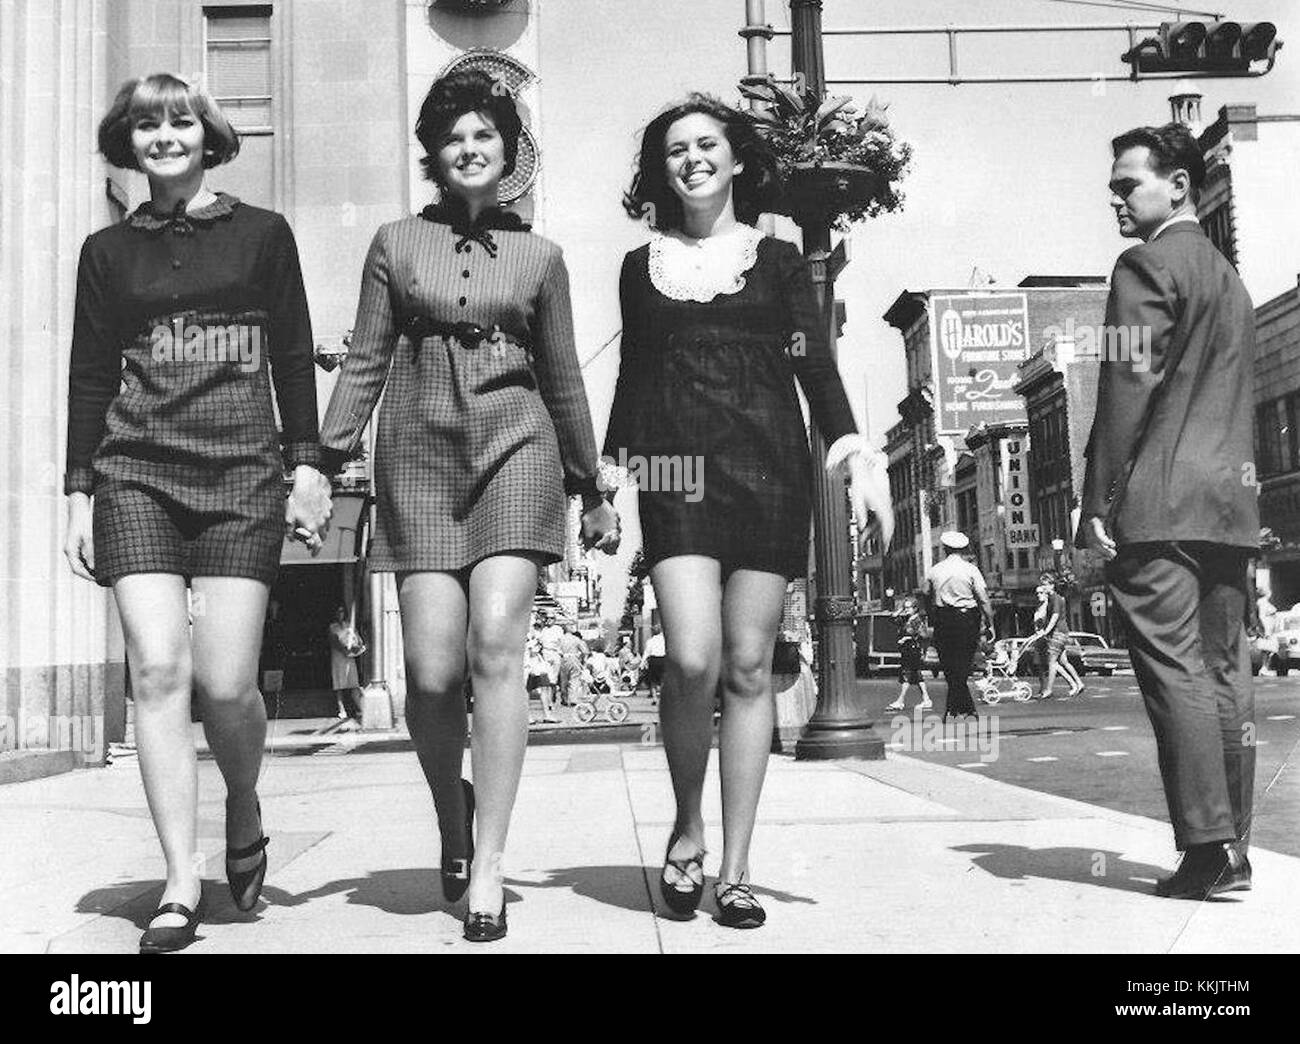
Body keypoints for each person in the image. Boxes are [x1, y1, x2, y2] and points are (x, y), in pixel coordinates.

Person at [318, 70, 619, 942]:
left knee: (496, 647)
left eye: (485, 135)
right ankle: (453, 817)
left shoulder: (543, 258)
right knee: (432, 674)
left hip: (515, 451)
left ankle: (489, 861)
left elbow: (562, 380)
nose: (469, 148)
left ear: (508, 152)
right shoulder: (394, 242)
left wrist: (590, 483)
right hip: (416, 455)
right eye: (454, 138)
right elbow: (368, 359)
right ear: (436, 156)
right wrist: (323, 459)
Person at [606, 93, 893, 929]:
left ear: (736, 160)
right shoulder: (640, 266)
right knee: (690, 659)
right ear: (661, 172)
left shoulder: (774, 263)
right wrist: (610, 477)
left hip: (768, 472)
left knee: (747, 667)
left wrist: (857, 458)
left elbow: (818, 375)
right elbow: (632, 373)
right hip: (677, 473)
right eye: (674, 151)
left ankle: (733, 867)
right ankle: (686, 826)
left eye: (706, 145)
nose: (691, 159)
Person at [62, 74, 331, 953]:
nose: (165, 135)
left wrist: (306, 466)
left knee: (223, 687)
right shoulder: (107, 253)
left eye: (180, 120)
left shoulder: (261, 235)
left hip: (239, 477)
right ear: (127, 139)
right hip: (135, 473)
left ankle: (244, 802)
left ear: (207, 133)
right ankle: (181, 880)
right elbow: (91, 375)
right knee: (156, 674)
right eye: (147, 123)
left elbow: (293, 354)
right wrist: (78, 489)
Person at [1077, 122, 1258, 900]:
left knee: (1173, 673)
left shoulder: (1143, 264)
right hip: (1229, 506)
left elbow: (1126, 386)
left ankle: (1206, 846)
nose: (1115, 197)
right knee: (1224, 674)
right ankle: (1235, 848)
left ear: (1179, 185)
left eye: (1128, 184)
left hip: (1158, 502)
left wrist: (1095, 503)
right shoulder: (1227, 276)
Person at [924, 532, 994, 720]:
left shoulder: (935, 570)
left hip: (943, 619)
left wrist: (931, 616)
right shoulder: (971, 570)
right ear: (963, 549)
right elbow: (983, 598)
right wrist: (990, 622)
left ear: (945, 549)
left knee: (948, 664)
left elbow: (924, 593)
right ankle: (966, 708)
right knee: (963, 663)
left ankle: (953, 708)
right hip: (967, 620)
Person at [1026, 574, 1083, 699]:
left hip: (1058, 632)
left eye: (1045, 585)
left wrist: (1046, 631)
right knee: (1063, 661)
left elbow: (1055, 616)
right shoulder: (1052, 599)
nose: (1043, 588)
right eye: (1042, 585)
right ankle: (1078, 683)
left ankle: (1048, 689)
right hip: (1058, 632)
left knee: (1051, 662)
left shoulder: (1055, 598)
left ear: (1051, 585)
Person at [885, 597, 932, 712]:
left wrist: (906, 638)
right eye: (905, 607)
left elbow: (923, 635)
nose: (906, 610)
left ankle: (900, 701)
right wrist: (900, 609)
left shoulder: (916, 620)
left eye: (908, 607)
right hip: (907, 650)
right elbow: (892, 619)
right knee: (917, 675)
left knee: (907, 674)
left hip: (913, 650)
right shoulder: (907, 619)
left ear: (915, 608)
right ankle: (926, 699)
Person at [328, 605, 365, 720]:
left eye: (342, 612)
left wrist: (355, 645)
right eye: (338, 612)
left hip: (349, 657)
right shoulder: (333, 627)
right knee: (339, 684)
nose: (340, 614)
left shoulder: (350, 625)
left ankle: (360, 708)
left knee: (353, 683)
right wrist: (344, 649)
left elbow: (358, 640)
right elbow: (334, 641)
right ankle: (341, 708)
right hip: (339, 657)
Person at [557, 626, 589, 706]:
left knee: (564, 680)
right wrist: (583, 660)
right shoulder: (576, 639)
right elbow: (585, 651)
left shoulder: (560, 639)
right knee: (574, 679)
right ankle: (573, 699)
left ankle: (564, 698)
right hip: (575, 660)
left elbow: (557, 650)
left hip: (564, 660)